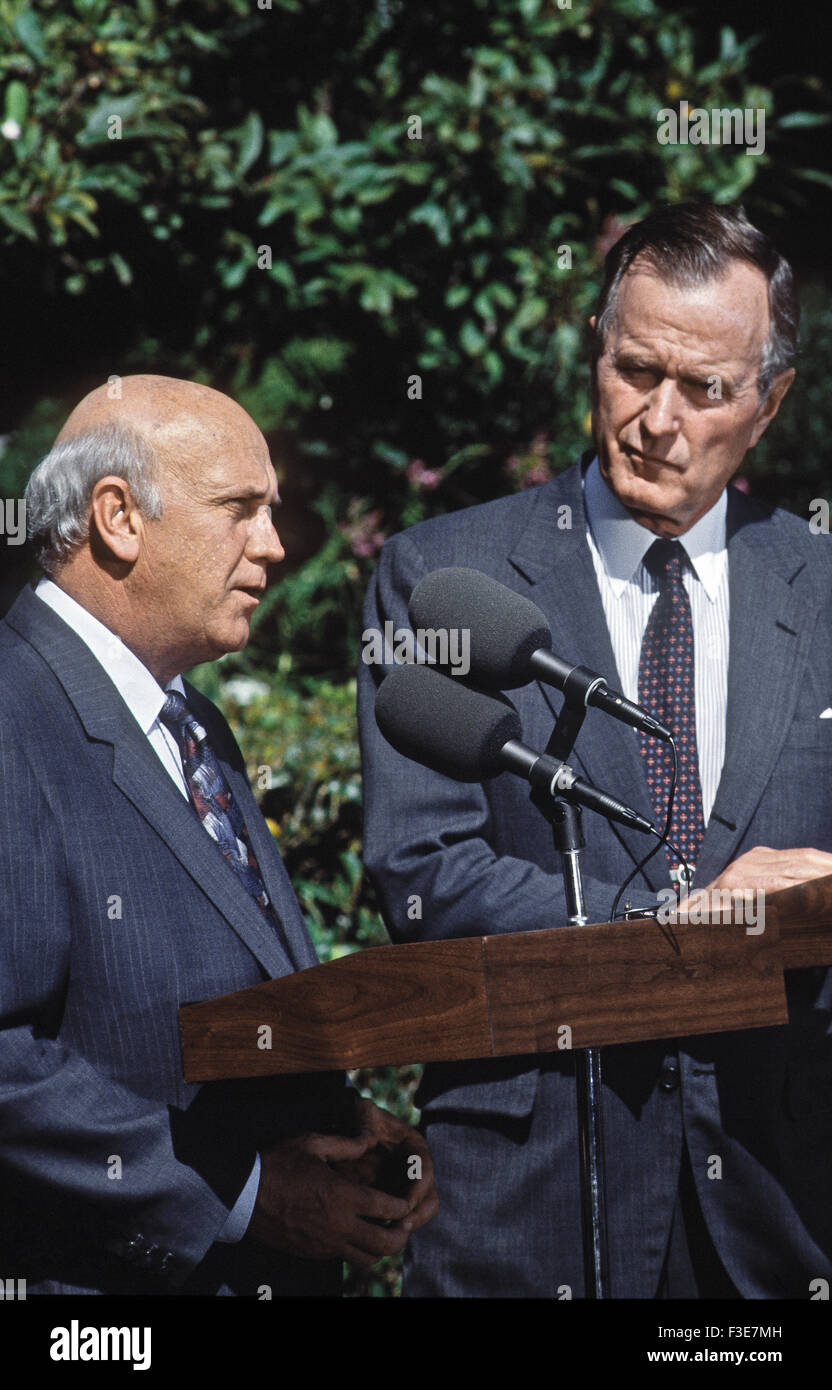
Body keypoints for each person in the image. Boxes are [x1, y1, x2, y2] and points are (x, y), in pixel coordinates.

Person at [357, 203, 832, 1298]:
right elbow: (424, 873)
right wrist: (677, 928)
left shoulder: (822, 591)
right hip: (524, 1200)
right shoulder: (445, 576)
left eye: (703, 389)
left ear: (769, 403)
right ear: (595, 351)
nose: (656, 418)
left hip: (779, 1201)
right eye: (632, 370)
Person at [0, 374, 437, 1297]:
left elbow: (214, 1004)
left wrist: (335, 1124)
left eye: (270, 512)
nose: (273, 545)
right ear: (117, 517)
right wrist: (238, 1194)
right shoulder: (12, 714)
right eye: (239, 509)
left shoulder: (191, 720)